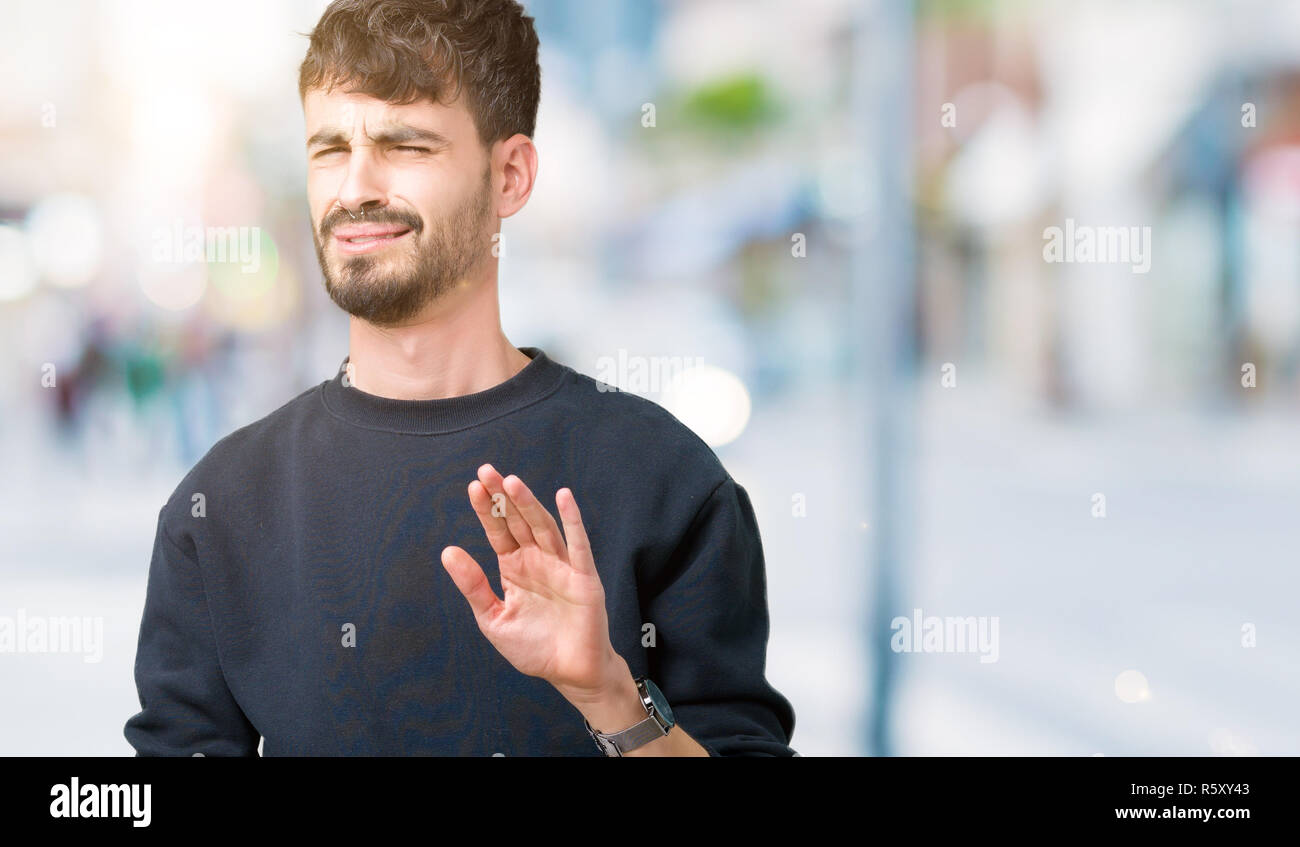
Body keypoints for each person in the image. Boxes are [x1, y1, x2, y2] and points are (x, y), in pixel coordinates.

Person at [124, 0, 796, 757]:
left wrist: (609, 694)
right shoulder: (218, 509)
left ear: (510, 175)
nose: (354, 188)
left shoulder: (668, 481)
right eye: (328, 148)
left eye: (404, 145)